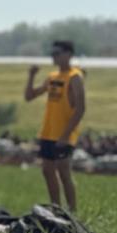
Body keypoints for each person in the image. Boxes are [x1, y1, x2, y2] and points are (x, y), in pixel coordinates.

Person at [25, 39, 86, 210]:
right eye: (52, 54)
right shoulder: (52, 77)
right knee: (47, 171)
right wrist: (31, 76)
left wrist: (66, 135)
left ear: (69, 54)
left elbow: (81, 108)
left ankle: (72, 211)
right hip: (48, 132)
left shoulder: (75, 77)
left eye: (57, 53)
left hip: (64, 133)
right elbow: (29, 96)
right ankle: (55, 209)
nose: (54, 57)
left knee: (64, 172)